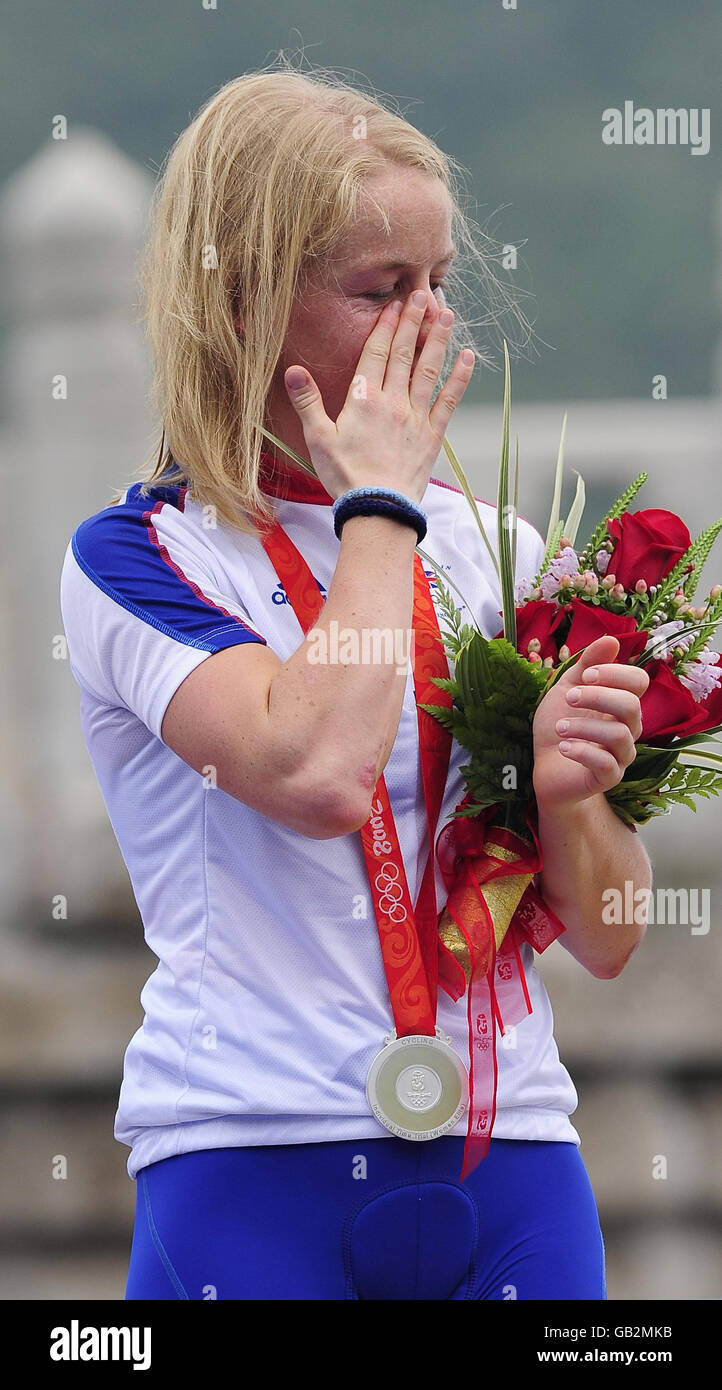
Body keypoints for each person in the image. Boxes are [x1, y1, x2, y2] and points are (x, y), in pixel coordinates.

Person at [59, 61, 652, 1301]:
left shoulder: (500, 548)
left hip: (513, 1151)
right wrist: (375, 502)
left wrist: (566, 794)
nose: (426, 326)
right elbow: (314, 770)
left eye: (438, 283)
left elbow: (607, 935)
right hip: (250, 1157)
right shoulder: (144, 554)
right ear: (242, 301)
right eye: (381, 290)